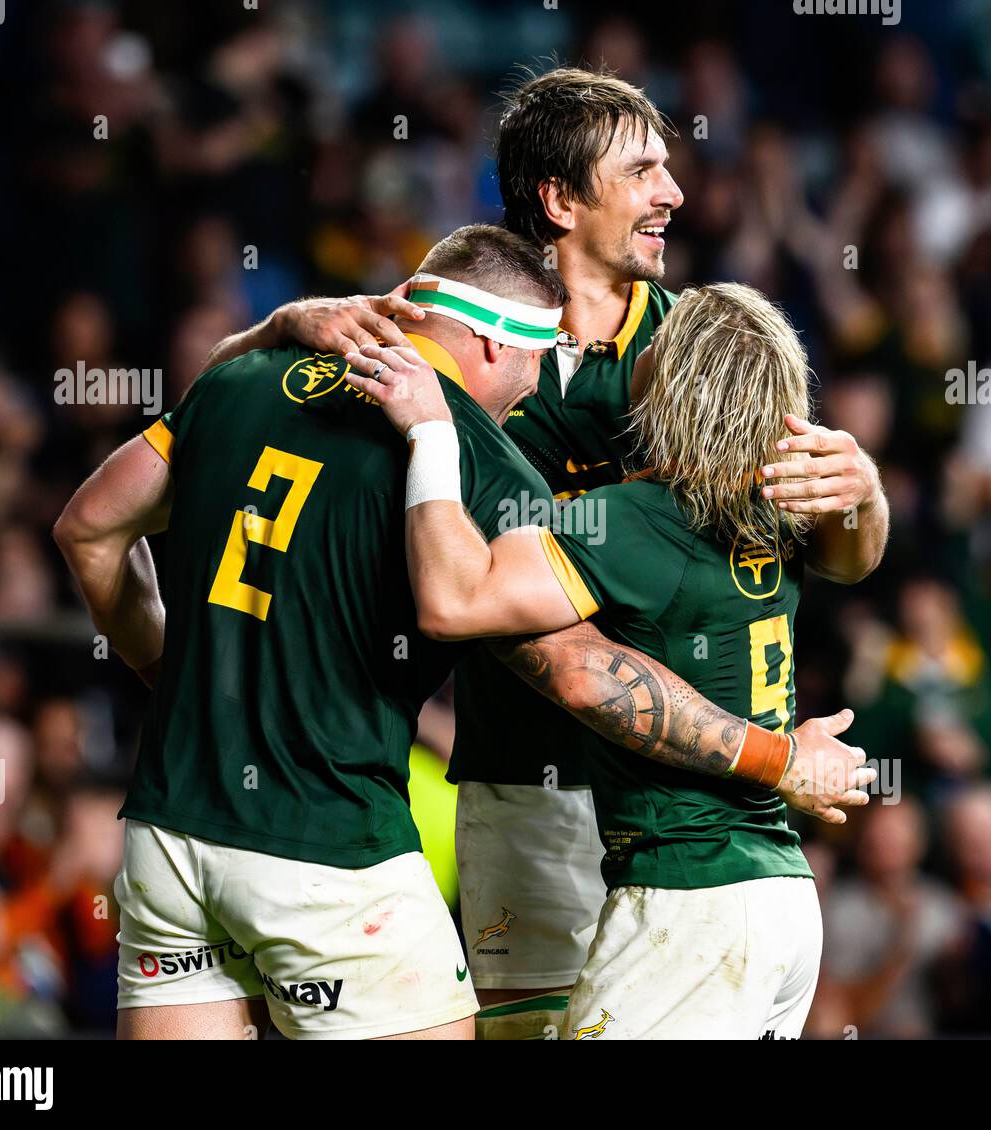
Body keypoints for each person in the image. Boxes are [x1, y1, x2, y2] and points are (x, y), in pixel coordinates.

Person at [199, 64, 888, 1039]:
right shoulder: (449, 324)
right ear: (561, 200)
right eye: (642, 170)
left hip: (684, 803)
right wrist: (274, 326)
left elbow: (840, 555)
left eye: (669, 167)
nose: (673, 192)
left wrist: (860, 491)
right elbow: (228, 403)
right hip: (525, 776)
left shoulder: (699, 355)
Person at [55, 225, 864, 1041]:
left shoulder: (242, 378)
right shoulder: (486, 468)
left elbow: (88, 530)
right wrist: (781, 757)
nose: (538, 384)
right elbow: (580, 671)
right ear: (487, 341)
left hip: (168, 831)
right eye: (537, 355)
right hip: (329, 843)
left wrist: (164, 665)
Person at [342, 281, 885, 1038]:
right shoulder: (778, 508)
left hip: (691, 904)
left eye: (660, 345)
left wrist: (433, 434)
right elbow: (856, 555)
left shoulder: (636, 521)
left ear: (679, 381)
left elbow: (453, 601)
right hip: (782, 899)